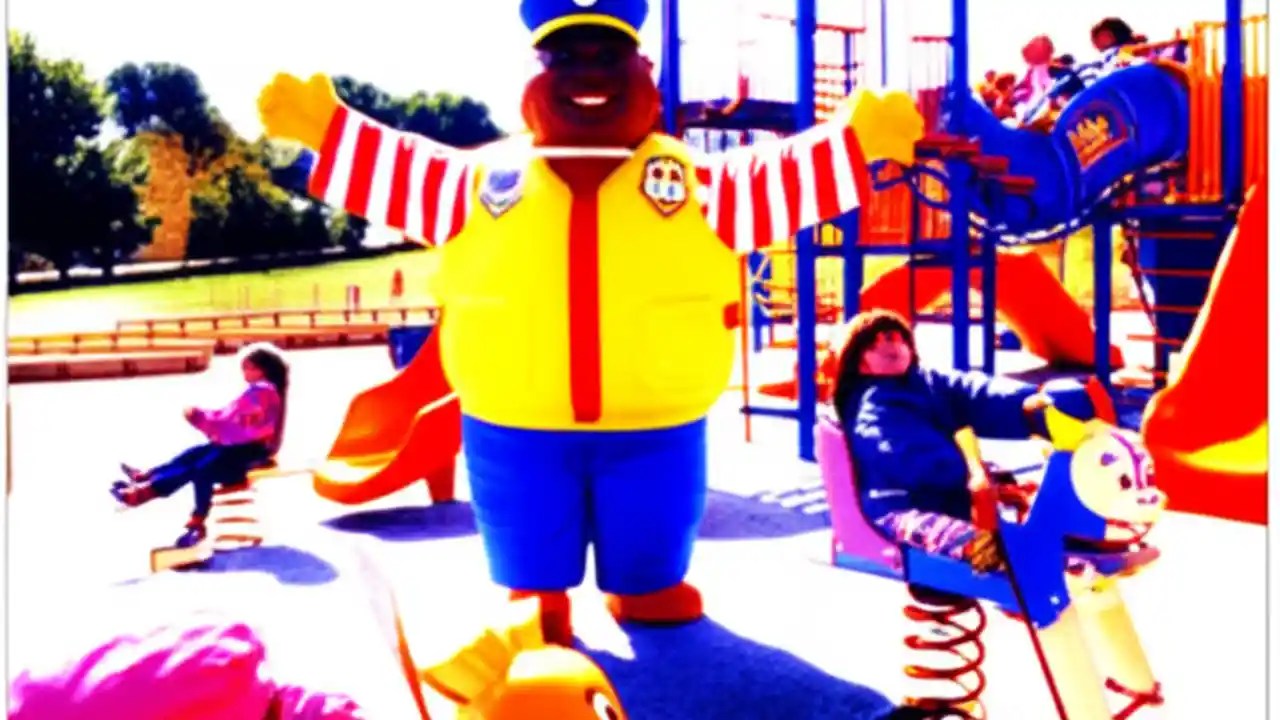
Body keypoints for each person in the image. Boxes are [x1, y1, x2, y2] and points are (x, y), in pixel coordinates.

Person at [830, 310, 1112, 571]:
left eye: (895, 336)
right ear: (860, 363)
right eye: (873, 342)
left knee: (1019, 504)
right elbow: (906, 455)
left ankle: (1056, 549)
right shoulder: (872, 404)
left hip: (946, 496)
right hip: (899, 508)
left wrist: (1032, 403)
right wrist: (971, 474)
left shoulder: (927, 382)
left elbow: (977, 393)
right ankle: (1027, 565)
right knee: (977, 542)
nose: (888, 342)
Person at [112, 343, 290, 548]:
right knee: (193, 455)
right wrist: (207, 420)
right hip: (239, 447)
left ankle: (195, 521)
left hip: (247, 454)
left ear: (263, 369)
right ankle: (147, 479)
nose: (244, 373)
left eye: (248, 368)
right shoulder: (261, 391)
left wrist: (200, 418)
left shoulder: (262, 392)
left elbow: (231, 422)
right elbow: (230, 417)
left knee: (201, 470)